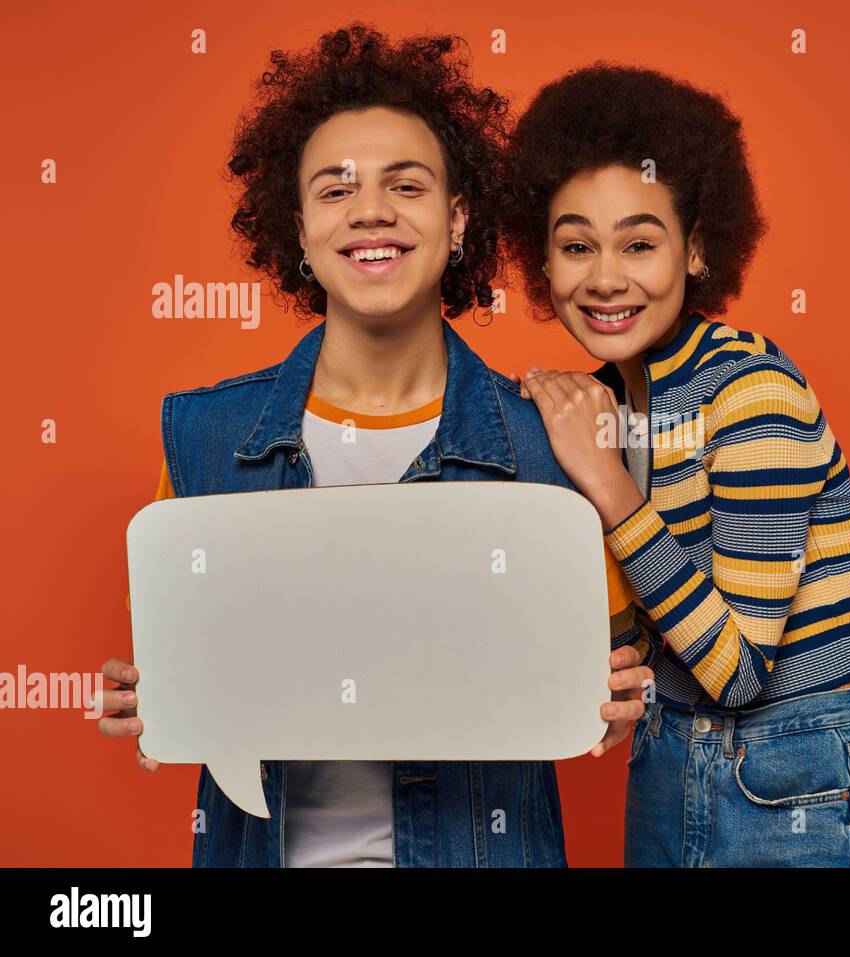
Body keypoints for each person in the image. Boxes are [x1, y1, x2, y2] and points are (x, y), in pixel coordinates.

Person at [99, 24, 656, 868]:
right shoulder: (206, 443)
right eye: (335, 189)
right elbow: (194, 702)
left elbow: (617, 683)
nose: (371, 210)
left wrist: (621, 698)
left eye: (407, 184)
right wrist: (160, 708)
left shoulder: (553, 443)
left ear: (458, 217)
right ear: (298, 227)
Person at [502, 63, 850, 866]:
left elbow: (740, 670)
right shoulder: (616, 401)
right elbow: (653, 626)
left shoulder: (754, 391)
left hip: (791, 774)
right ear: (541, 263)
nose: (606, 277)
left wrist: (606, 479)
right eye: (576, 245)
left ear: (697, 250)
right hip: (671, 754)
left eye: (639, 243)